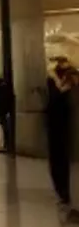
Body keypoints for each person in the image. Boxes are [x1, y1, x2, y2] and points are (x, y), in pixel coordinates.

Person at [46, 59, 75, 215]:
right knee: (59, 158)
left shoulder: (65, 88)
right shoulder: (57, 86)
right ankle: (64, 194)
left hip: (62, 132)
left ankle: (65, 194)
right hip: (59, 131)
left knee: (60, 159)